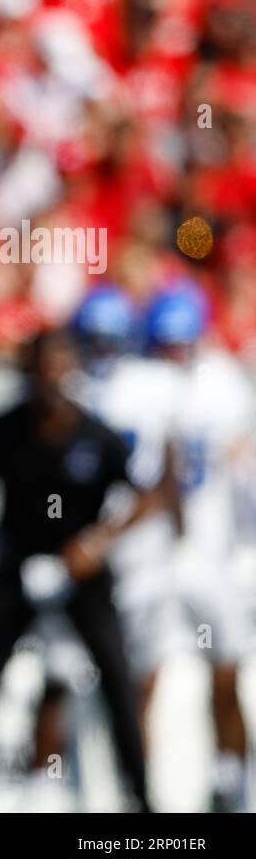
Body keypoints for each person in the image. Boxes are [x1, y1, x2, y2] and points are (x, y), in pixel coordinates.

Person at [0, 329, 163, 813]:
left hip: (80, 569)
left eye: (59, 367)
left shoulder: (94, 432)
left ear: (74, 370)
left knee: (115, 676)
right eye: (41, 368)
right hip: (19, 562)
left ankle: (142, 798)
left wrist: (96, 543)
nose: (50, 378)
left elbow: (149, 493)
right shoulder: (4, 429)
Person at [145, 282, 254, 812]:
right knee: (144, 672)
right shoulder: (141, 383)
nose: (174, 353)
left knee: (227, 667)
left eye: (181, 342)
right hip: (156, 554)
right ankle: (139, 790)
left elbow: (243, 472)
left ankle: (230, 781)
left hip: (213, 552)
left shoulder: (225, 385)